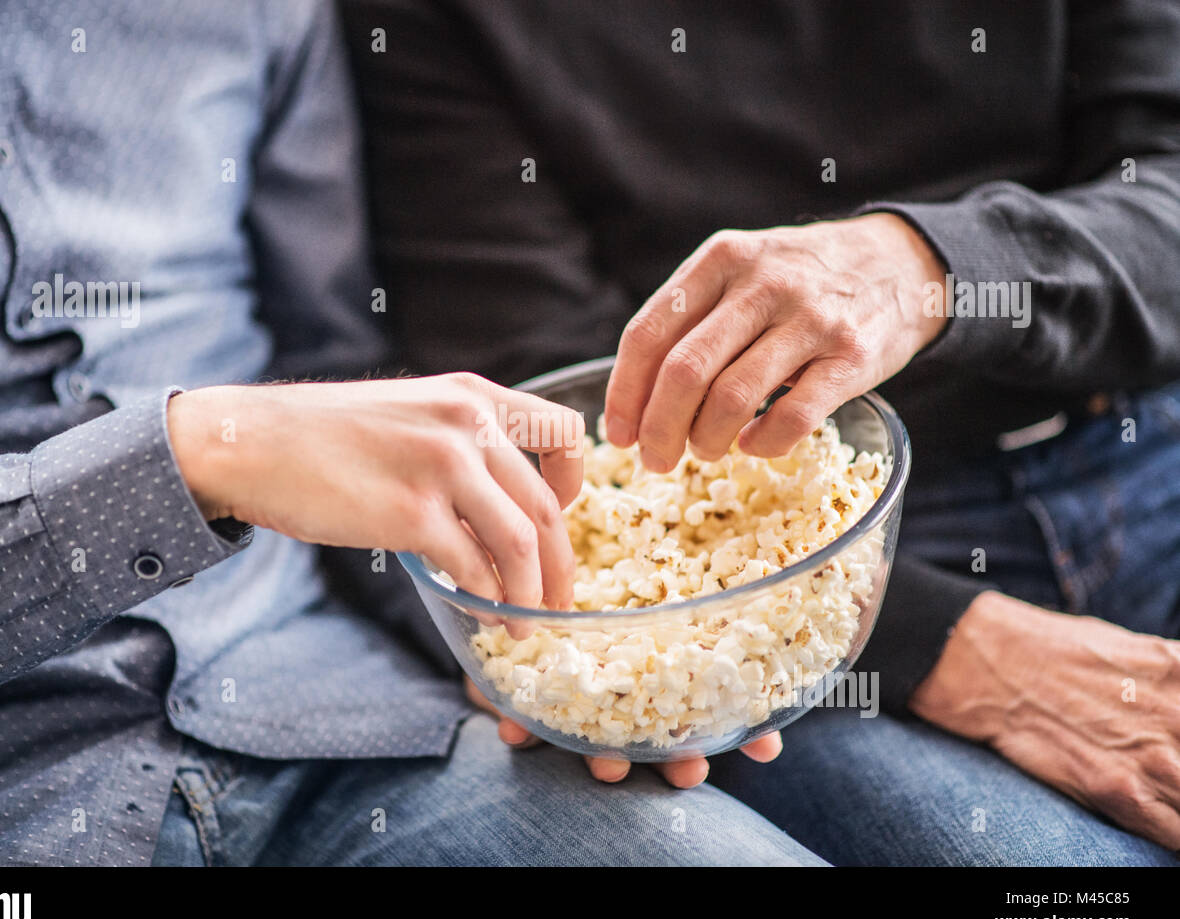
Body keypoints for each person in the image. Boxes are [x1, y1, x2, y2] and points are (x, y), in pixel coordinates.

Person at [0, 0, 816, 866]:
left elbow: (332, 361)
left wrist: (511, 645)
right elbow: (277, 436)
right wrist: (201, 457)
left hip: (336, 714)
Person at [341, 0, 1180, 862]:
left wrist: (929, 266)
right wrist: (963, 648)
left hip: (1147, 439)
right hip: (791, 583)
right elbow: (557, 410)